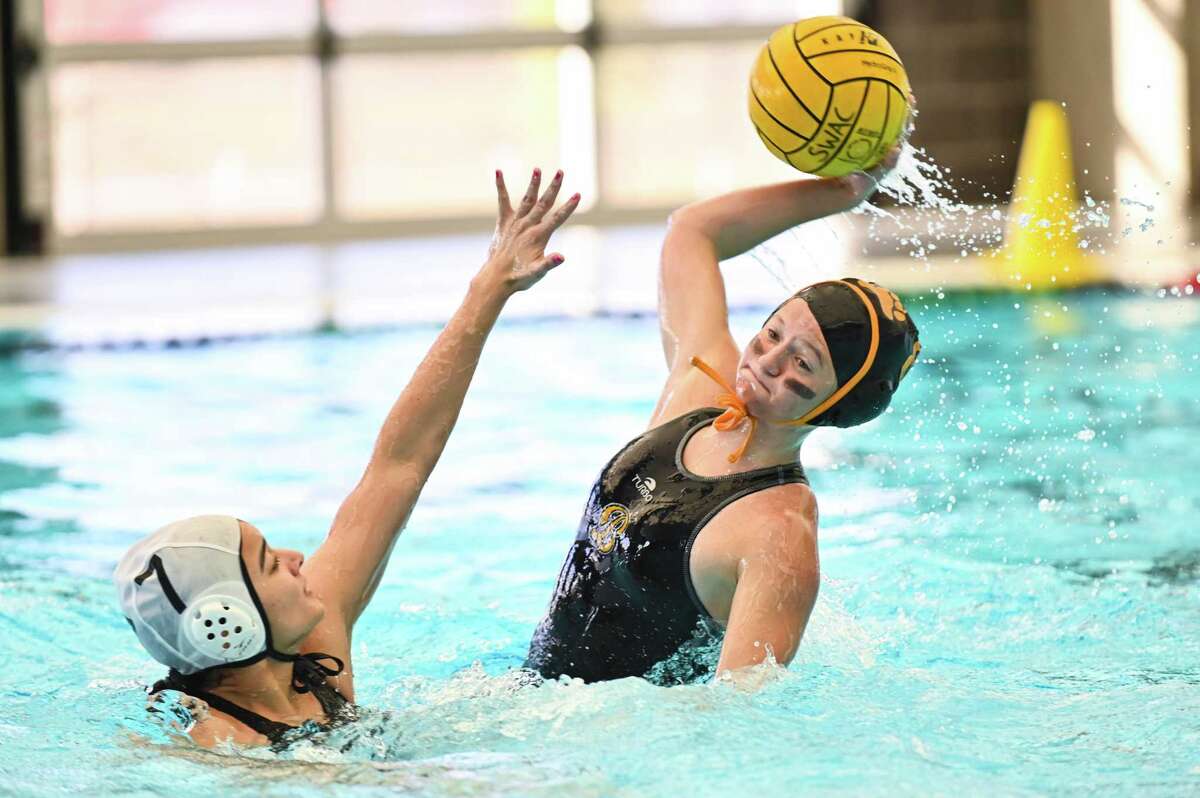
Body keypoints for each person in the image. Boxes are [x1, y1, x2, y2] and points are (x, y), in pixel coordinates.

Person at [115, 169, 580, 748]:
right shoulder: (215, 747)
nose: (296, 556)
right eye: (266, 563)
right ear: (227, 624)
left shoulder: (311, 650)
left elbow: (399, 466)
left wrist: (490, 288)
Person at [524, 147, 921, 684]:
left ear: (840, 403)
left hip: (610, 746)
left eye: (802, 362)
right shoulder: (698, 388)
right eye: (775, 332)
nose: (767, 360)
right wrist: (844, 192)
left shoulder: (779, 537)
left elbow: (735, 714)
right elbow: (693, 231)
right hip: (528, 693)